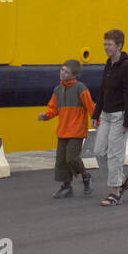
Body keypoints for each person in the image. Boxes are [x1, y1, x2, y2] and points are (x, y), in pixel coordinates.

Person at [38, 59, 95, 199]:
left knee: (72, 157)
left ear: (74, 75)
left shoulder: (81, 88)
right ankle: (67, 186)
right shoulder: (58, 90)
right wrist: (46, 116)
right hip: (63, 130)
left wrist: (96, 119)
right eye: (62, 70)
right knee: (61, 160)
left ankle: (85, 176)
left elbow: (90, 106)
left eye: (66, 72)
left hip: (76, 131)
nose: (62, 73)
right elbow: (53, 108)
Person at [91, 29, 128, 207]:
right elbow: (103, 90)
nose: (105, 47)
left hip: (119, 115)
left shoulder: (126, 66)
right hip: (106, 115)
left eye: (108, 44)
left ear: (119, 45)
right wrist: (96, 113)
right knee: (99, 151)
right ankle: (122, 179)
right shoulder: (108, 64)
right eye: (104, 44)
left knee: (114, 155)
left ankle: (115, 192)